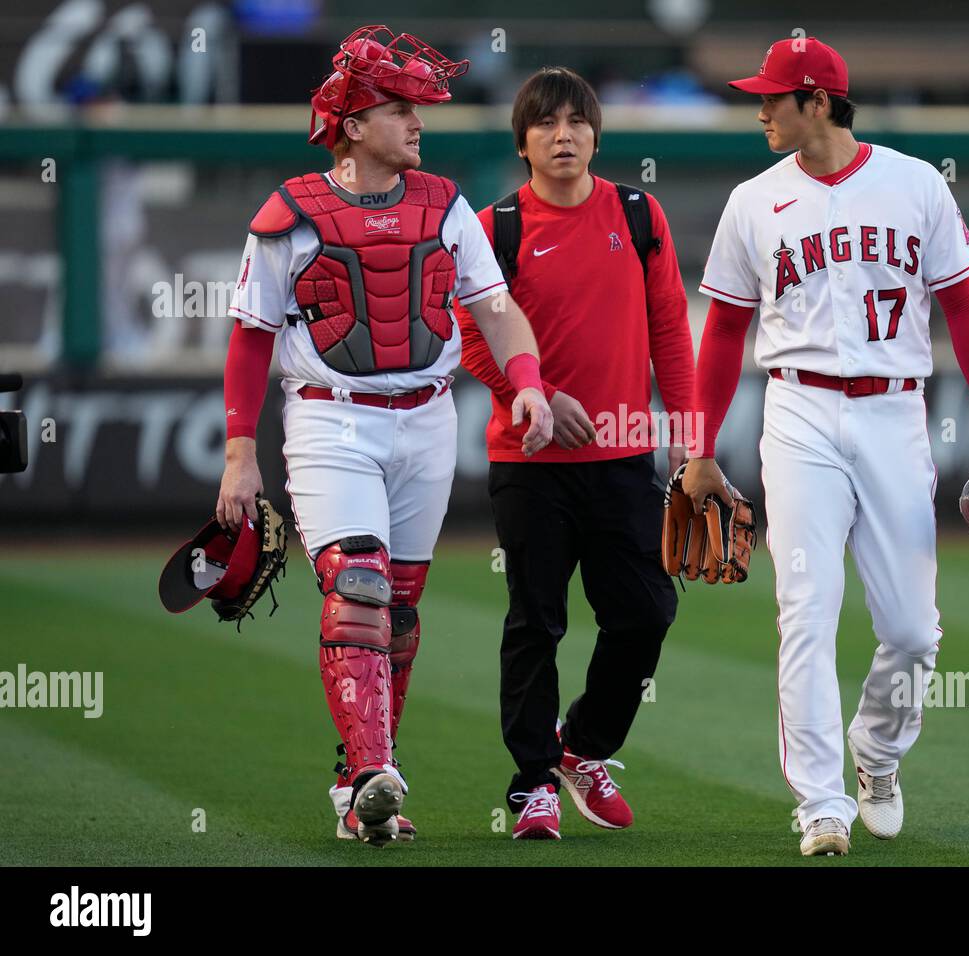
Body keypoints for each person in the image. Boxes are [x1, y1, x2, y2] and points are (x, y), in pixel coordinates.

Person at [215, 26, 552, 847]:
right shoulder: (290, 214)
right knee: (358, 585)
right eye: (400, 109)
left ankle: (360, 787)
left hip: (429, 418)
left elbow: (494, 308)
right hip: (332, 416)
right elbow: (250, 335)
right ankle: (373, 770)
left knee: (399, 610)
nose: (417, 122)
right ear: (354, 125)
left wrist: (531, 386)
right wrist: (237, 455)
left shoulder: (446, 204)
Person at [684, 37, 969, 856]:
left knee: (911, 631)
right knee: (807, 609)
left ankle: (879, 750)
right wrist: (699, 445)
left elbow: (965, 310)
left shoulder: (913, 184)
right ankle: (821, 803)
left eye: (773, 98)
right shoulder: (753, 200)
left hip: (895, 416)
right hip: (796, 412)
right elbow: (723, 331)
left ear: (819, 102)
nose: (759, 110)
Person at [455, 67, 695, 840]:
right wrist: (535, 397)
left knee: (647, 611)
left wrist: (691, 438)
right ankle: (531, 786)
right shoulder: (497, 229)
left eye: (577, 122)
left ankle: (582, 747)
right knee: (536, 621)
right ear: (522, 142)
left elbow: (670, 331)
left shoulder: (638, 213)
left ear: (596, 134)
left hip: (625, 454)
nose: (564, 135)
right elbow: (473, 337)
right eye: (546, 123)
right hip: (528, 464)